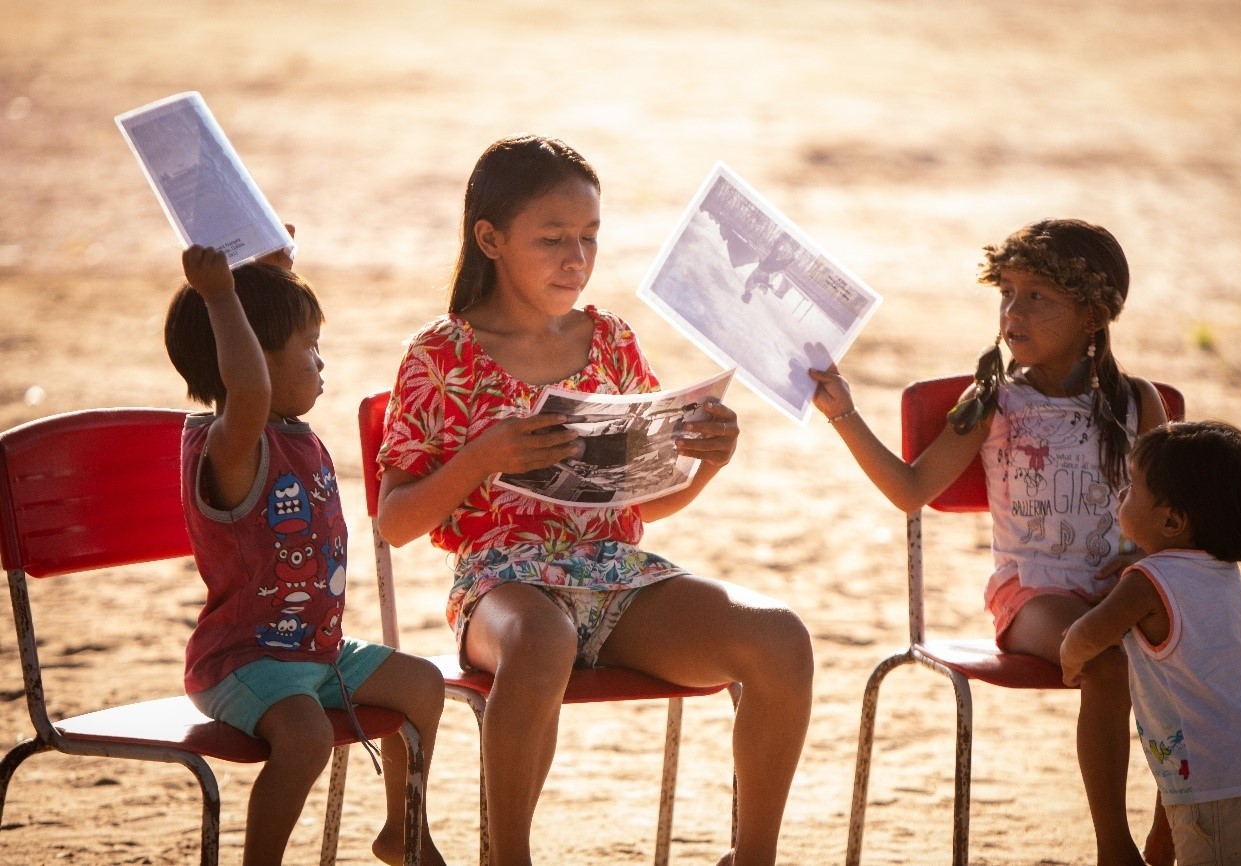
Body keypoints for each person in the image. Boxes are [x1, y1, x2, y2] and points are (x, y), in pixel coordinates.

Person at [375, 134, 814, 866]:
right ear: (490, 238)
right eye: (551, 239)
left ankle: (753, 859)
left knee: (780, 637)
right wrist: (486, 457)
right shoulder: (440, 354)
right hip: (500, 586)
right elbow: (394, 523)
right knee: (543, 640)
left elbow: (636, 504)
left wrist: (704, 465)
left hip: (614, 573)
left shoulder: (609, 338)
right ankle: (505, 858)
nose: (575, 258)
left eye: (588, 237)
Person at [809, 218, 1169, 865]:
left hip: (1123, 585)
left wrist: (1141, 562)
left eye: (1036, 296)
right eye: (1006, 292)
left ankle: (1171, 841)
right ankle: (1115, 850)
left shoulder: (1138, 402)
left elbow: (1174, 515)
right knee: (1104, 660)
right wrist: (843, 414)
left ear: (1092, 315)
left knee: (1192, 651)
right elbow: (910, 489)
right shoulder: (992, 401)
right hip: (1036, 593)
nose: (1013, 310)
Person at [164, 238, 447, 866]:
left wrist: (260, 277)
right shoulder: (234, 446)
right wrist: (218, 295)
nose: (322, 364)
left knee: (422, 684)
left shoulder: (291, 431)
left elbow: (253, 364)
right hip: (242, 660)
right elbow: (248, 386)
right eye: (309, 349)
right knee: (305, 736)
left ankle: (403, 830)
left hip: (317, 653)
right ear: (254, 367)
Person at [1061, 420, 1241, 865]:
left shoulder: (1146, 583)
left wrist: (1069, 655)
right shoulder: (1224, 573)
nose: (1122, 494)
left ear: (1172, 520)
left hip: (1215, 785)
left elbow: (1089, 634)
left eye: (1133, 486)